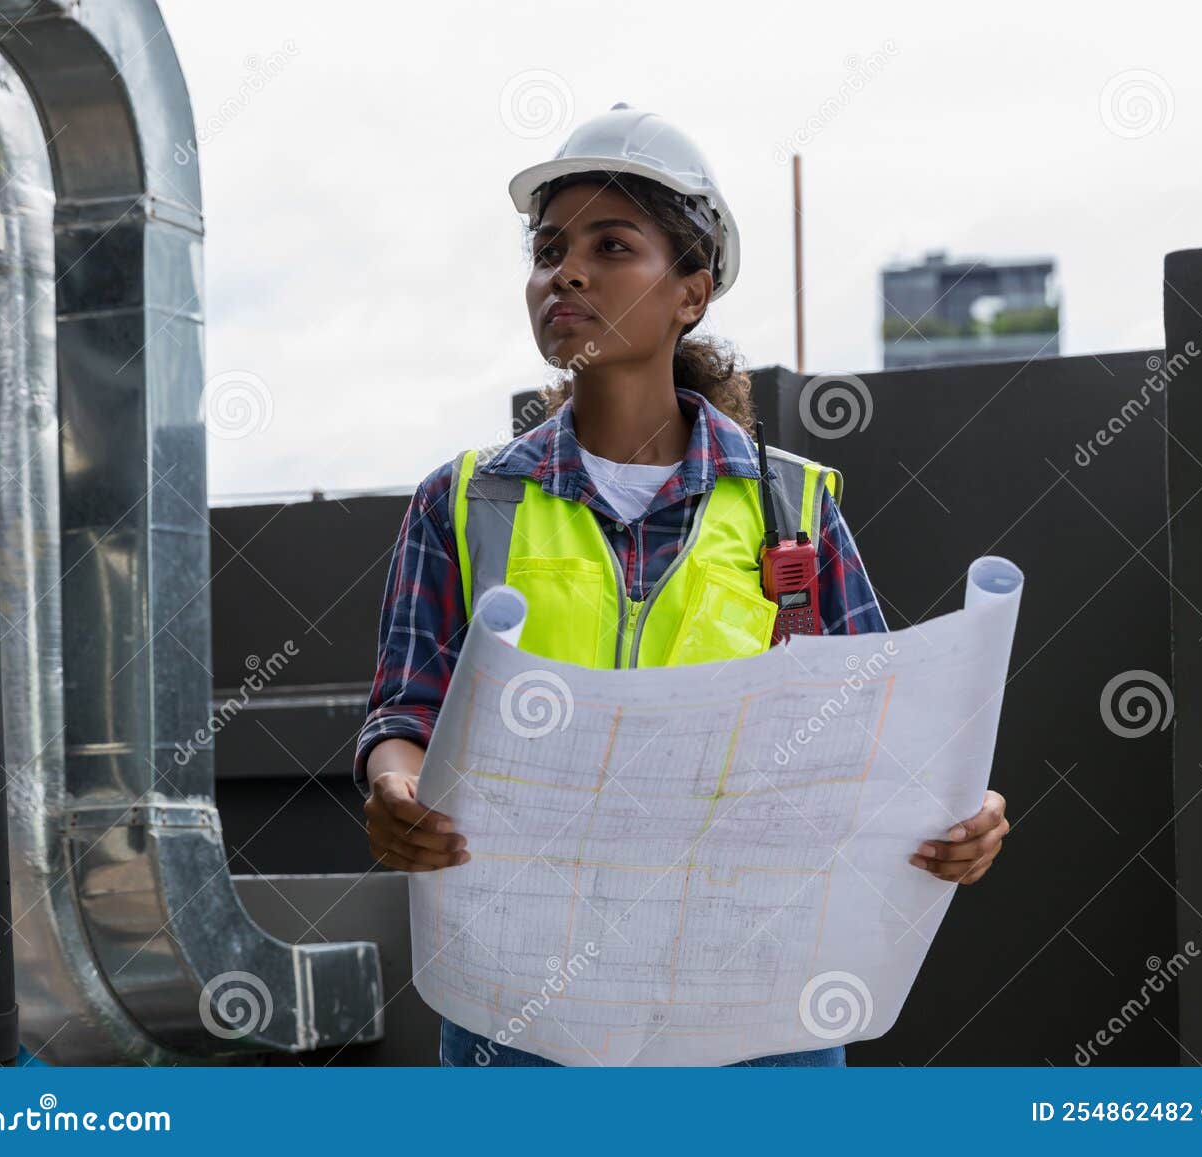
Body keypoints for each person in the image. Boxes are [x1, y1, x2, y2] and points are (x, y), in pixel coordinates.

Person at [355, 104, 1009, 1067]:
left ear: (691, 292)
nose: (564, 272)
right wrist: (395, 790)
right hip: (528, 1010)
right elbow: (406, 709)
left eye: (610, 245)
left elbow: (880, 734)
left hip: (757, 1008)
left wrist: (962, 810)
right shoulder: (463, 500)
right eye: (547, 249)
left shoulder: (794, 506)